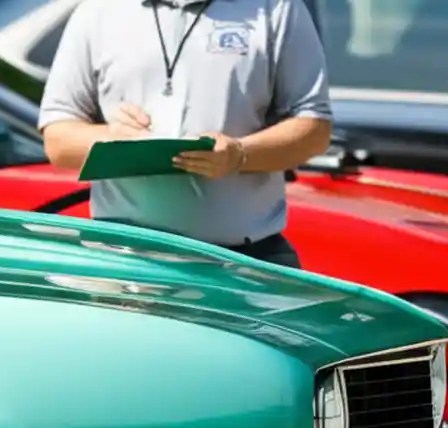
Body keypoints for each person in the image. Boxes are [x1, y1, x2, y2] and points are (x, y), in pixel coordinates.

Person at [38, 0, 333, 269]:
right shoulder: (99, 10)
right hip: (125, 261)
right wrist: (111, 136)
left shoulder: (275, 7)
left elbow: (314, 129)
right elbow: (58, 140)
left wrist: (239, 155)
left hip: (245, 260)